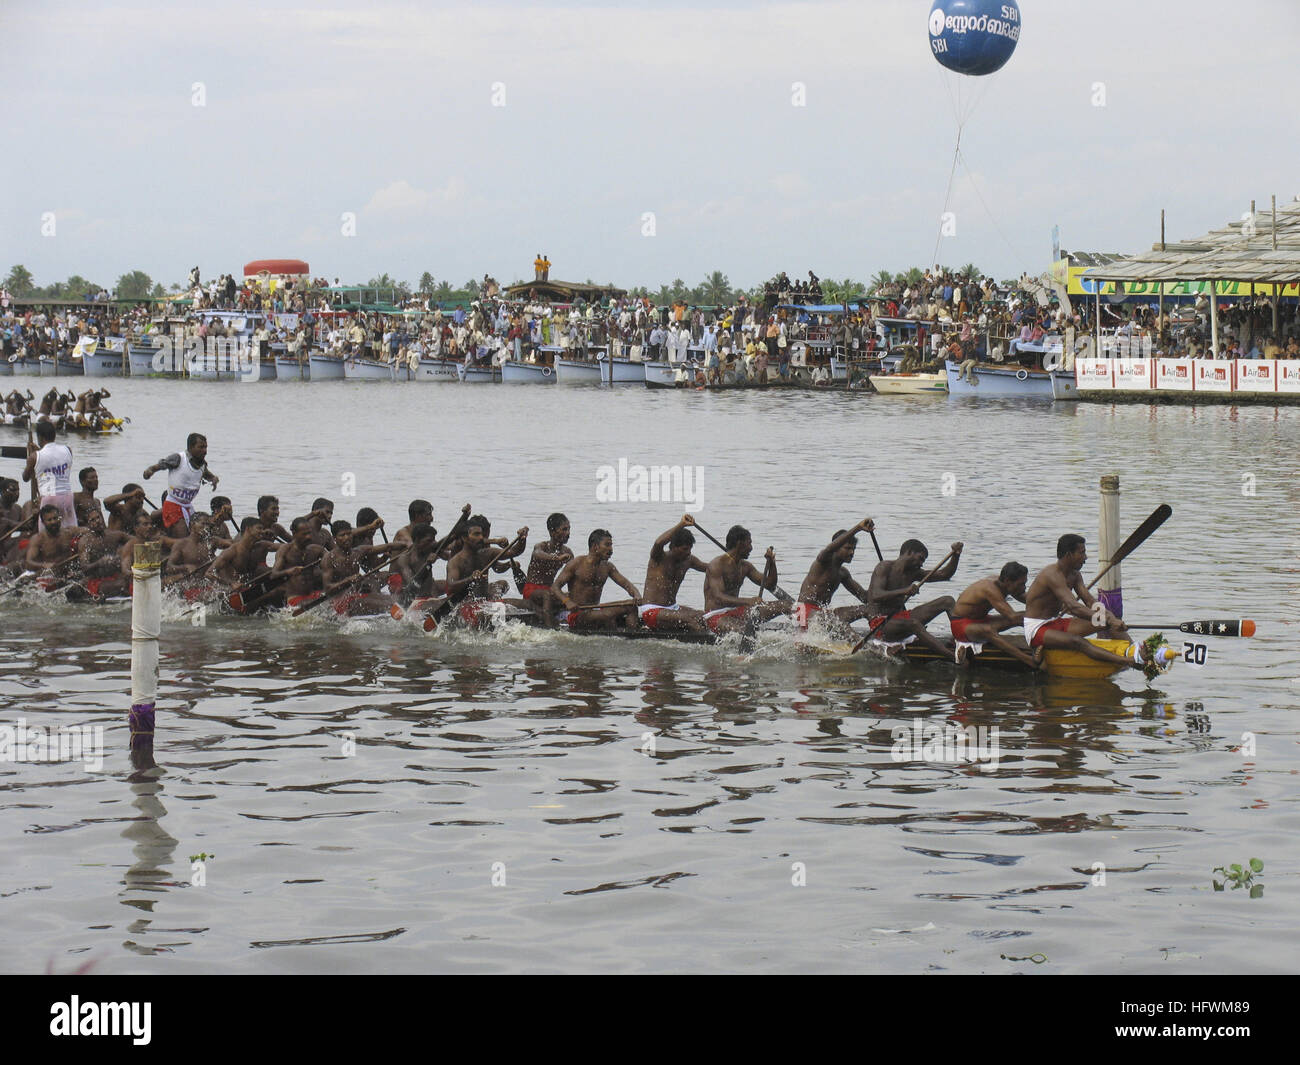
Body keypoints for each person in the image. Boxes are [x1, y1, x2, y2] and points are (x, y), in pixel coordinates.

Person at [1022, 533, 1159, 673]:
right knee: (1078, 642)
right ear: (1069, 555)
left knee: (1105, 619)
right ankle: (1129, 662)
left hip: (1055, 622)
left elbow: (1090, 601)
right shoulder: (1052, 575)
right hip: (1036, 628)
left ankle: (1134, 651)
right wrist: (1108, 620)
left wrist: (1110, 618)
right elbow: (1073, 607)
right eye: (1082, 553)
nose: (1085, 558)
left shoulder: (1075, 575)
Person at [863, 539, 961, 656]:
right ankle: (953, 657)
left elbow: (944, 574)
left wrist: (955, 555)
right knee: (913, 624)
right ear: (909, 552)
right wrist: (904, 591)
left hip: (900, 619)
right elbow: (875, 595)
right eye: (920, 558)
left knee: (948, 601)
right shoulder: (884, 567)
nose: (921, 564)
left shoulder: (914, 572)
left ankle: (960, 639)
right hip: (881, 624)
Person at [949, 562, 1040, 668]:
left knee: (1025, 616)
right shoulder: (990, 589)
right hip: (960, 625)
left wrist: (1052, 605)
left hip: (981, 620)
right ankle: (1028, 660)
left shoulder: (1007, 584)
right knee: (988, 630)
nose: (1024, 588)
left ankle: (1040, 640)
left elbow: (1029, 601)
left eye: (1025, 584)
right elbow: (1012, 616)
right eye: (1021, 584)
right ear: (1007, 581)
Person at [794, 519, 877, 634]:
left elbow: (865, 597)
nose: (852, 553)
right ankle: (865, 646)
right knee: (839, 624)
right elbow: (829, 549)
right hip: (804, 612)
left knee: (867, 609)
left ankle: (881, 636)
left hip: (823, 615)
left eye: (853, 549)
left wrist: (886, 585)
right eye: (848, 548)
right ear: (836, 548)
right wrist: (858, 528)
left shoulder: (843, 573)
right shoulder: (823, 562)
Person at [701, 525, 786, 634]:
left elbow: (770, 584)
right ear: (739, 543)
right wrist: (749, 601)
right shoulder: (716, 565)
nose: (751, 548)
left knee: (785, 605)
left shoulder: (745, 566)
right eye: (749, 543)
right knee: (747, 631)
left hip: (736, 611)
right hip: (715, 614)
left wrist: (772, 563)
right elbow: (719, 597)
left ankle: (805, 634)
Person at [550, 528, 640, 630]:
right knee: (607, 615)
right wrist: (567, 601)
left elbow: (626, 584)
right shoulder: (576, 564)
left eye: (611, 545)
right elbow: (554, 587)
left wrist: (636, 595)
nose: (611, 549)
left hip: (595, 610)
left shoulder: (608, 567)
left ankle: (633, 635)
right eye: (607, 545)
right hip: (578, 614)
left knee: (631, 606)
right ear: (595, 546)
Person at [639, 516, 709, 633]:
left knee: (704, 617)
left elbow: (712, 569)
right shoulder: (659, 558)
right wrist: (681, 525)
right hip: (652, 610)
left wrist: (731, 559)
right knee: (689, 619)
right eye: (685, 549)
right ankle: (710, 644)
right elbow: (658, 542)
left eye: (690, 549)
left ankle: (720, 640)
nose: (688, 553)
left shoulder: (689, 560)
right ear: (673, 547)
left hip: (673, 608)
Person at [142, 432, 218, 536]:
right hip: (173, 504)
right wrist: (149, 471)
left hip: (188, 505)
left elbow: (206, 474)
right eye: (201, 447)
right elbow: (158, 466)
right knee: (183, 537)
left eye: (205, 447)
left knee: (197, 535)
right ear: (191, 447)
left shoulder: (202, 464)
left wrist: (213, 479)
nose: (205, 451)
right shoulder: (178, 458)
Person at [23, 420, 77, 528]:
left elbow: (26, 477)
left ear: (40, 437)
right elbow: (53, 459)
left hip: (49, 499)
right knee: (71, 531)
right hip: (67, 497)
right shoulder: (68, 450)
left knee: (47, 535)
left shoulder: (34, 457)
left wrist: (30, 457)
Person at [522, 512, 574, 625]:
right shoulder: (541, 546)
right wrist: (556, 558)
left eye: (569, 529)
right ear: (552, 531)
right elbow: (537, 553)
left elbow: (573, 576)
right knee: (547, 595)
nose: (568, 533)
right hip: (531, 590)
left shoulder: (567, 552)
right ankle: (549, 627)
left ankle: (573, 621)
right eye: (564, 529)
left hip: (550, 591)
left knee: (572, 595)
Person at [24, 503, 78, 582]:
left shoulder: (69, 532)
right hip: (47, 575)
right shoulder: (38, 539)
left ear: (60, 518)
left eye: (55, 518)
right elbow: (29, 563)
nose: (53, 522)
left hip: (68, 571)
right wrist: (44, 565)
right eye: (49, 520)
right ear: (43, 522)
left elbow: (87, 531)